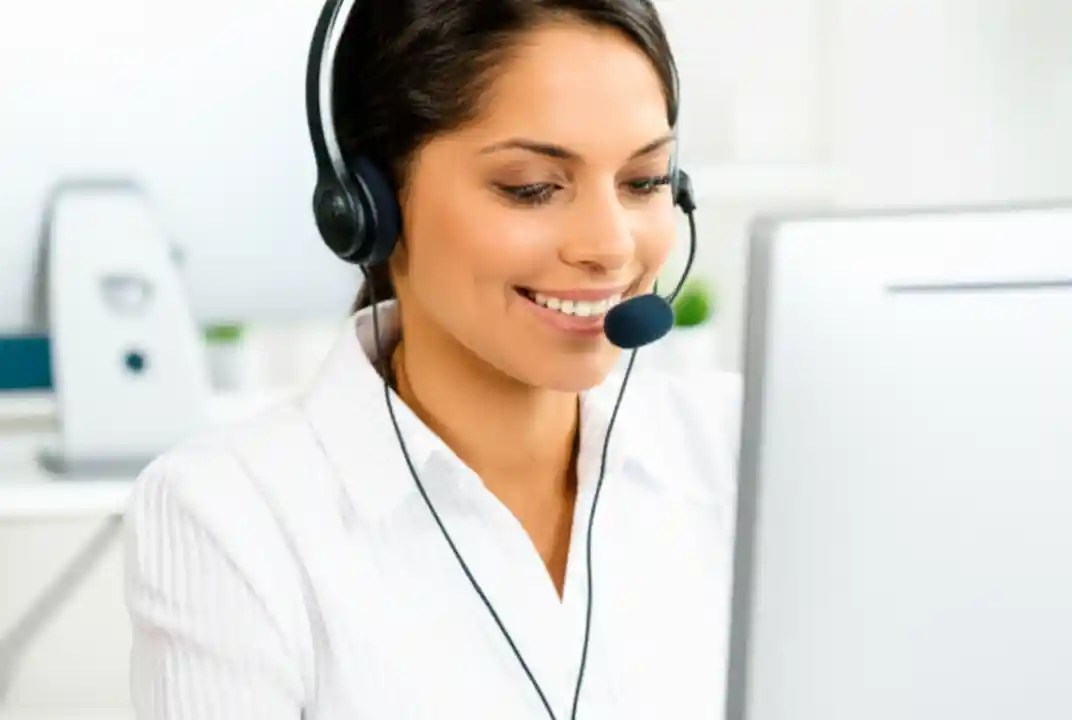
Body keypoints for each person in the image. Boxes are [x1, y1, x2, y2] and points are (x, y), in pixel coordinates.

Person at [121, 0, 741, 718]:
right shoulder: (231, 515)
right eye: (532, 188)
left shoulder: (742, 452)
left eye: (644, 182)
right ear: (368, 205)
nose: (611, 245)